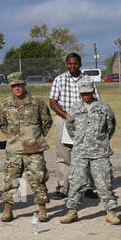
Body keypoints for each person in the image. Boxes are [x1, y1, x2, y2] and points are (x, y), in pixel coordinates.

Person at [0, 72, 54, 222]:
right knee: (11, 180)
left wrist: (34, 137)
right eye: (14, 86)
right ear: (10, 87)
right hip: (14, 150)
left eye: (20, 85)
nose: (17, 88)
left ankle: (42, 209)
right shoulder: (5, 105)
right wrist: (13, 137)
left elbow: (46, 122)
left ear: (25, 84)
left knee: (38, 179)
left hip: (34, 148)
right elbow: (2, 124)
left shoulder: (37, 102)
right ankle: (8, 210)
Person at [61, 78, 120, 225]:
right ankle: (72, 211)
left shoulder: (104, 108)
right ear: (80, 94)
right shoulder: (74, 109)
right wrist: (82, 141)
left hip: (99, 153)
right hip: (80, 153)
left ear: (93, 91)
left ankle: (111, 212)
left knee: (104, 182)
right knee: (76, 182)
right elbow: (71, 128)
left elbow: (110, 127)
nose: (86, 96)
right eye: (83, 93)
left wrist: (98, 140)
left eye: (88, 92)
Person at [48, 52, 86, 198]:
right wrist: (65, 115)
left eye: (75, 63)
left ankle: (86, 186)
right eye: (70, 64)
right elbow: (52, 101)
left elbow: (95, 100)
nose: (72, 66)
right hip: (63, 119)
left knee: (84, 153)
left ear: (80, 64)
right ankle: (62, 187)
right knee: (63, 154)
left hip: (83, 121)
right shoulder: (60, 79)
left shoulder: (88, 80)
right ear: (66, 64)